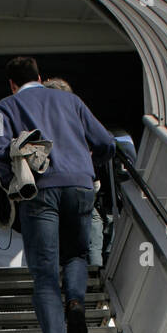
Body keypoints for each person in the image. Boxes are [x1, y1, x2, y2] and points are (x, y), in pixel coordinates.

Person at [0, 57, 115, 333]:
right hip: (81, 185)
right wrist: (86, 168)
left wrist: (11, 181)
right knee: (75, 254)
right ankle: (75, 301)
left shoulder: (3, 107)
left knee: (45, 273)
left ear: (11, 84)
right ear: (40, 76)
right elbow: (106, 143)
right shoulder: (71, 100)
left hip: (40, 190)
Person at [43, 77, 107, 272]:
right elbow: (104, 141)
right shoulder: (76, 114)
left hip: (47, 183)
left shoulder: (41, 116)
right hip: (79, 181)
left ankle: (55, 275)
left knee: (52, 231)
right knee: (91, 222)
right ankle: (94, 269)